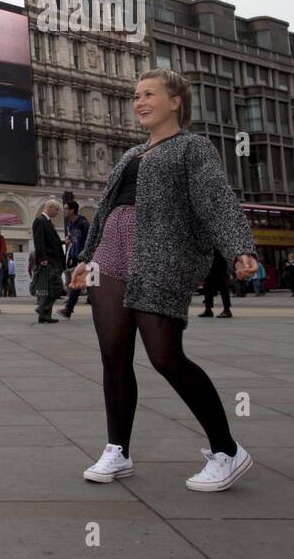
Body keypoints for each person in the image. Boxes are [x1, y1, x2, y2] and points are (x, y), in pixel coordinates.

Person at [70, 69, 259, 493]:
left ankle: (227, 450)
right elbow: (104, 209)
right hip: (110, 259)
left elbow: (216, 199)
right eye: (136, 95)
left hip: (159, 258)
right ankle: (117, 449)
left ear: (175, 102)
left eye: (149, 94)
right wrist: (85, 259)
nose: (139, 101)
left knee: (165, 356)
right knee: (114, 358)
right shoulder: (129, 155)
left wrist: (238, 248)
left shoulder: (194, 147)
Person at [32, 200, 65, 323]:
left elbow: (50, 241)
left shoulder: (48, 222)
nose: (57, 212)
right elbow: (38, 241)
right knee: (57, 287)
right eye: (56, 209)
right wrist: (43, 259)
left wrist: (62, 243)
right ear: (50, 207)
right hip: (49, 261)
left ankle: (45, 316)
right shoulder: (40, 221)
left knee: (48, 288)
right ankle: (42, 308)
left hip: (52, 259)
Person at [58, 200, 90, 319]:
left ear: (72, 210)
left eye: (65, 208)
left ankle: (68, 310)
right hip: (78, 258)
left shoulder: (83, 223)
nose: (64, 211)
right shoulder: (70, 225)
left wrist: (86, 257)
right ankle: (68, 310)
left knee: (77, 284)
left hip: (86, 259)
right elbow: (74, 240)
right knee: (80, 285)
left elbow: (89, 240)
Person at [199, 250, 233, 319]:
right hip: (210, 265)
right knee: (207, 287)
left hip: (219, 265)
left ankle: (227, 310)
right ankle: (208, 310)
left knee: (222, 287)